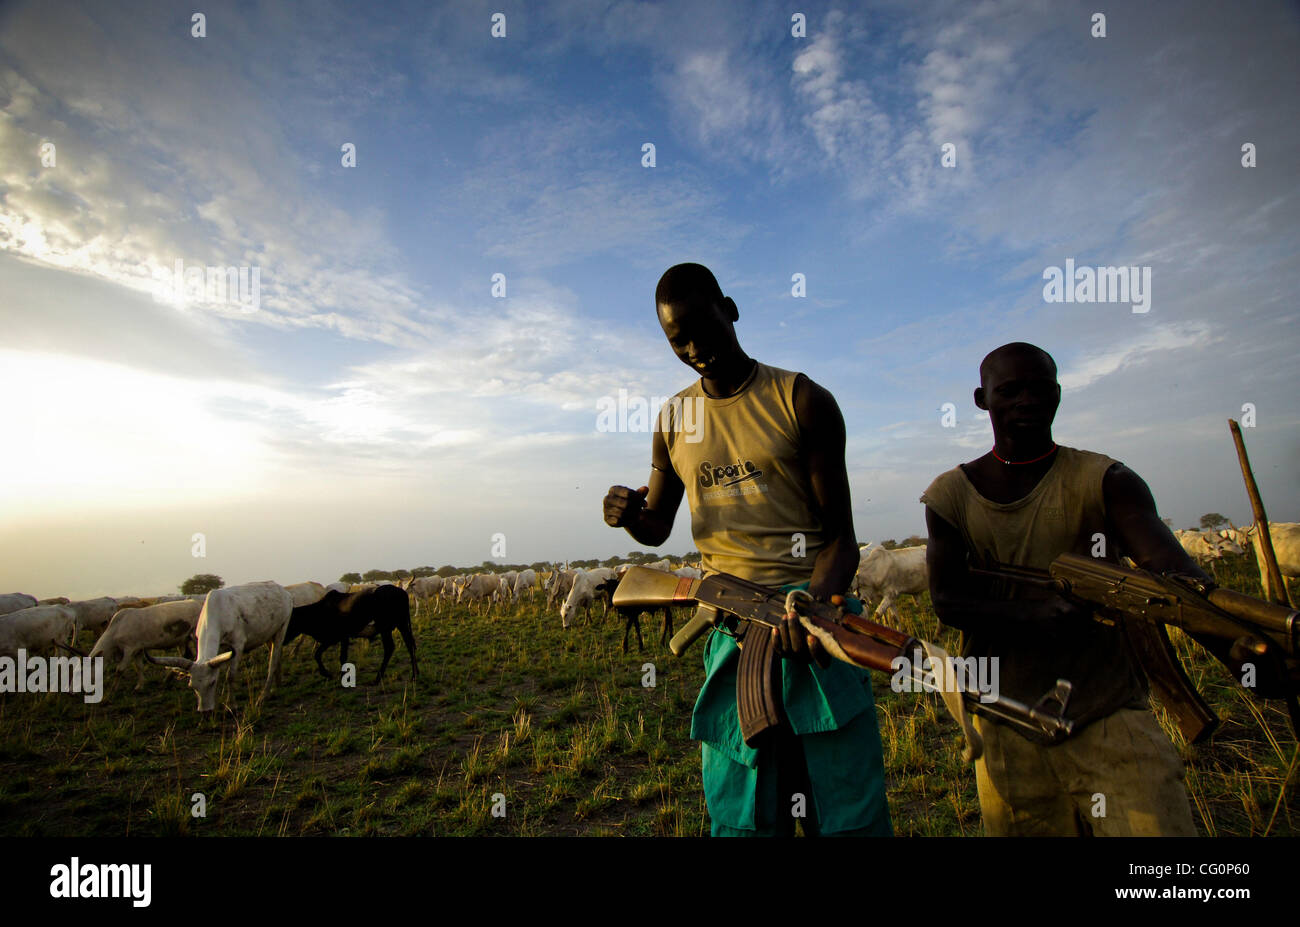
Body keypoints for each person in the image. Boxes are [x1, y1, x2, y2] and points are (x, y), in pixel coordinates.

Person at [602, 263, 891, 836]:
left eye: (702, 328)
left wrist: (810, 607)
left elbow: (840, 540)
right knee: (743, 813)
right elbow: (658, 526)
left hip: (815, 627)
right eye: (676, 340)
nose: (694, 348)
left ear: (730, 309)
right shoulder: (673, 419)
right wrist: (629, 518)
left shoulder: (801, 400)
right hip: (732, 631)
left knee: (847, 811)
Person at [921, 341, 1205, 836]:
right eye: (1009, 390)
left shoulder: (1106, 480)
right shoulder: (950, 496)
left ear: (1057, 395)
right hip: (1006, 717)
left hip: (1108, 709)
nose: (1027, 401)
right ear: (981, 399)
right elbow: (947, 601)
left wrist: (1228, 623)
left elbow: (1173, 572)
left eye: (1039, 389)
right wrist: (1034, 615)